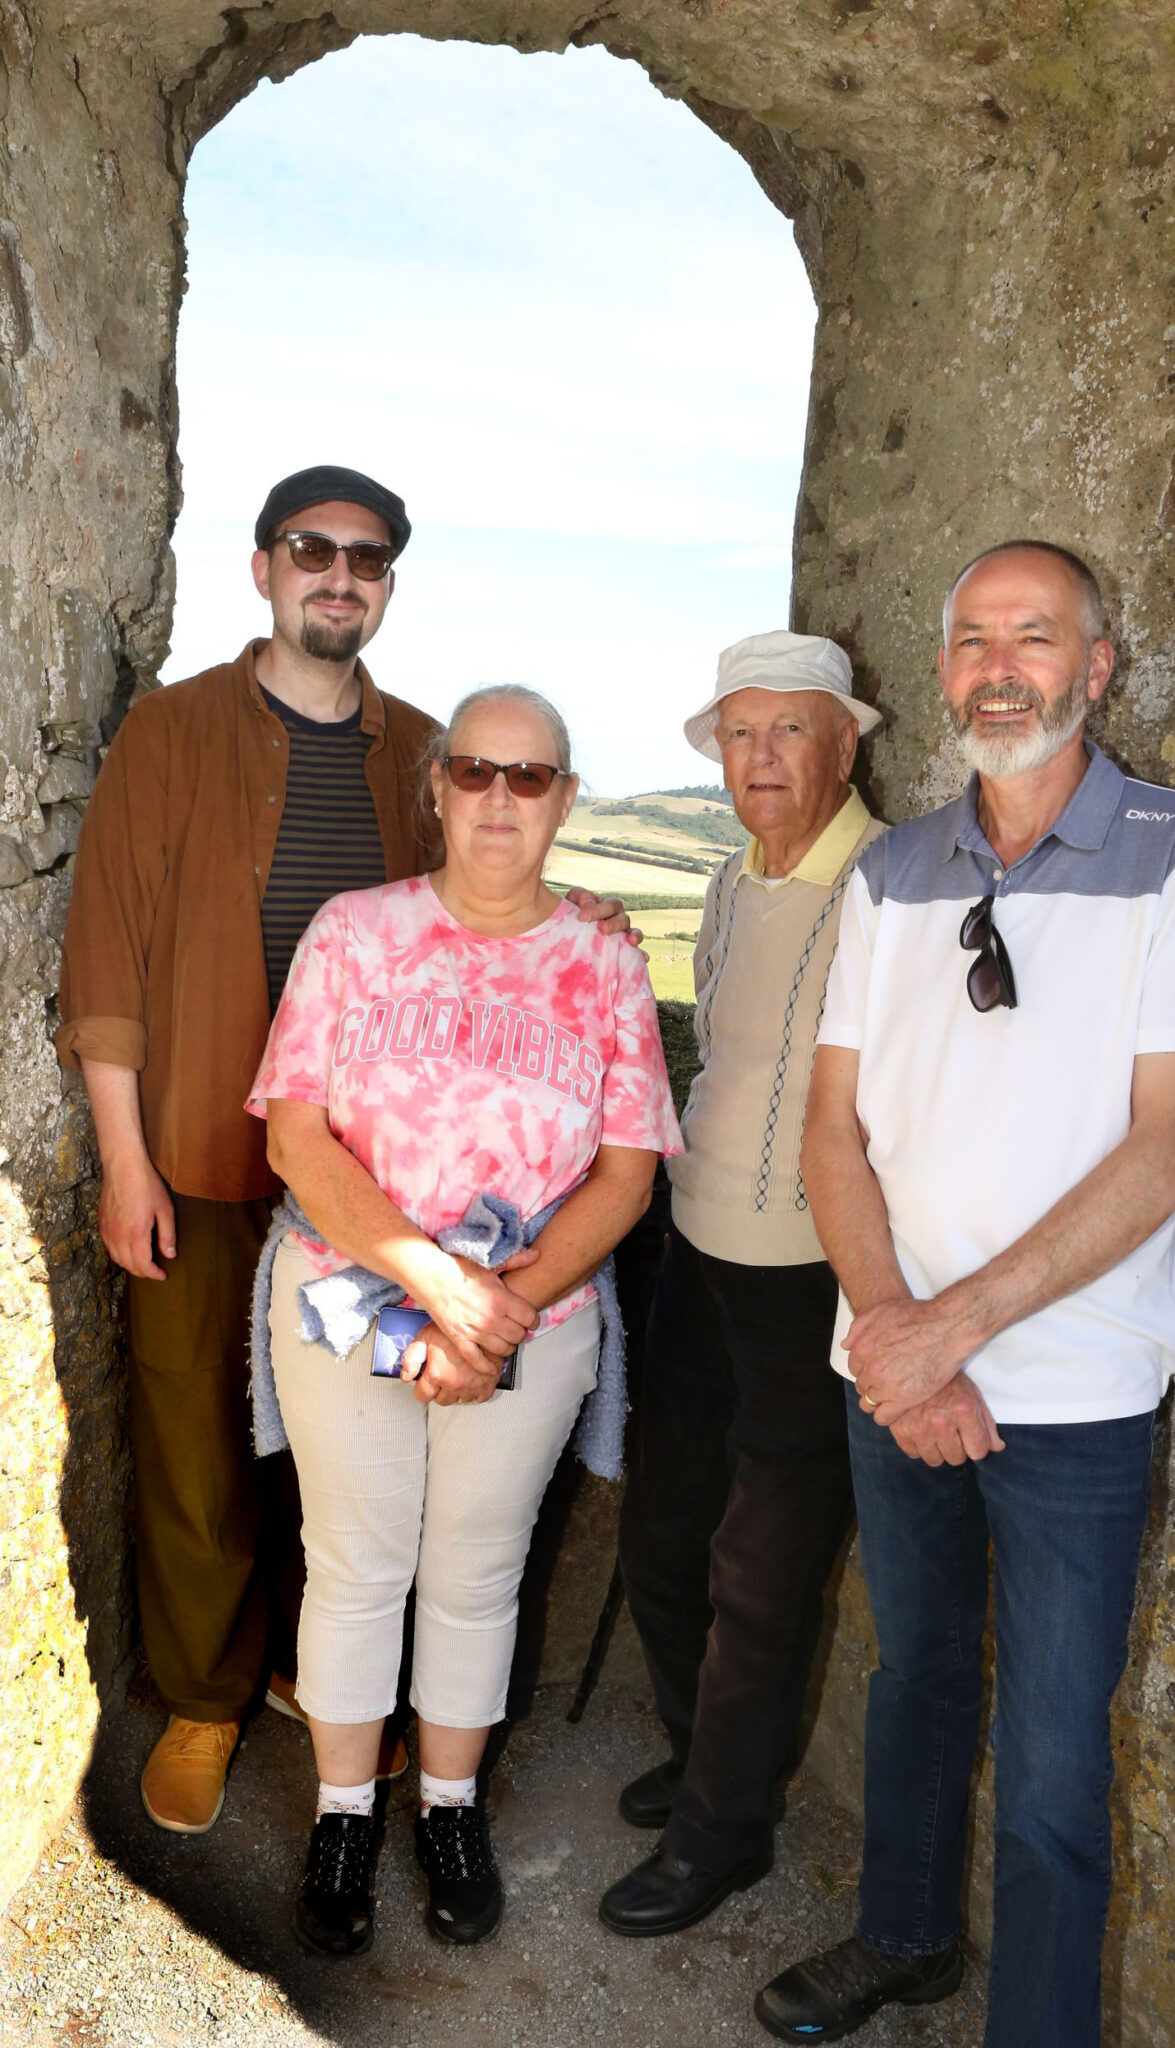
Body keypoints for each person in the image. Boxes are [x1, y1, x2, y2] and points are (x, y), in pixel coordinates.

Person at [55, 466, 630, 1837]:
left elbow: (500, 887)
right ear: (264, 568)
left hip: (388, 1185)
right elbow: (108, 959)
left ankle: (335, 1696)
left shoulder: (426, 746)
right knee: (197, 1437)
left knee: (353, 1478)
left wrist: (584, 908)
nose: (339, 574)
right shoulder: (172, 733)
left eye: (367, 558)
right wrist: (124, 1157)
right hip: (203, 1148)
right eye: (312, 549)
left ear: (387, 586)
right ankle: (205, 1701)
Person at [755, 542, 1175, 2046]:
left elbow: (1164, 1154)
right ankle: (904, 1939)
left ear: (1093, 667)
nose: (1000, 666)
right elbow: (829, 1133)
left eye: (1032, 637)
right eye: (973, 636)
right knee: (913, 1676)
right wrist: (896, 1345)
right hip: (896, 1374)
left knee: (1050, 1767)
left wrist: (940, 1335)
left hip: (1070, 1401)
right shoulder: (890, 872)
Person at [247, 683, 683, 1957]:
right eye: (478, 771)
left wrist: (495, 1312)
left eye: (531, 777)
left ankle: (445, 1807)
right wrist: (439, 1290)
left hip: (529, 1321)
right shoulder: (354, 932)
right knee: (356, 1561)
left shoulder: (606, 957)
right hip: (350, 1302)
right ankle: (342, 1811)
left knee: (477, 1569)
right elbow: (294, 1132)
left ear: (563, 801)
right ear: (435, 785)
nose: (501, 798)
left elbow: (625, 1172)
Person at [600, 631, 883, 1938]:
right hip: (695, 1250)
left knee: (762, 1571)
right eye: (739, 735)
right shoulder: (723, 879)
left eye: (789, 731)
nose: (759, 760)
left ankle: (724, 1833)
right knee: (660, 1534)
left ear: (845, 741)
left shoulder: (893, 891)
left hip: (808, 1283)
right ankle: (703, 1751)